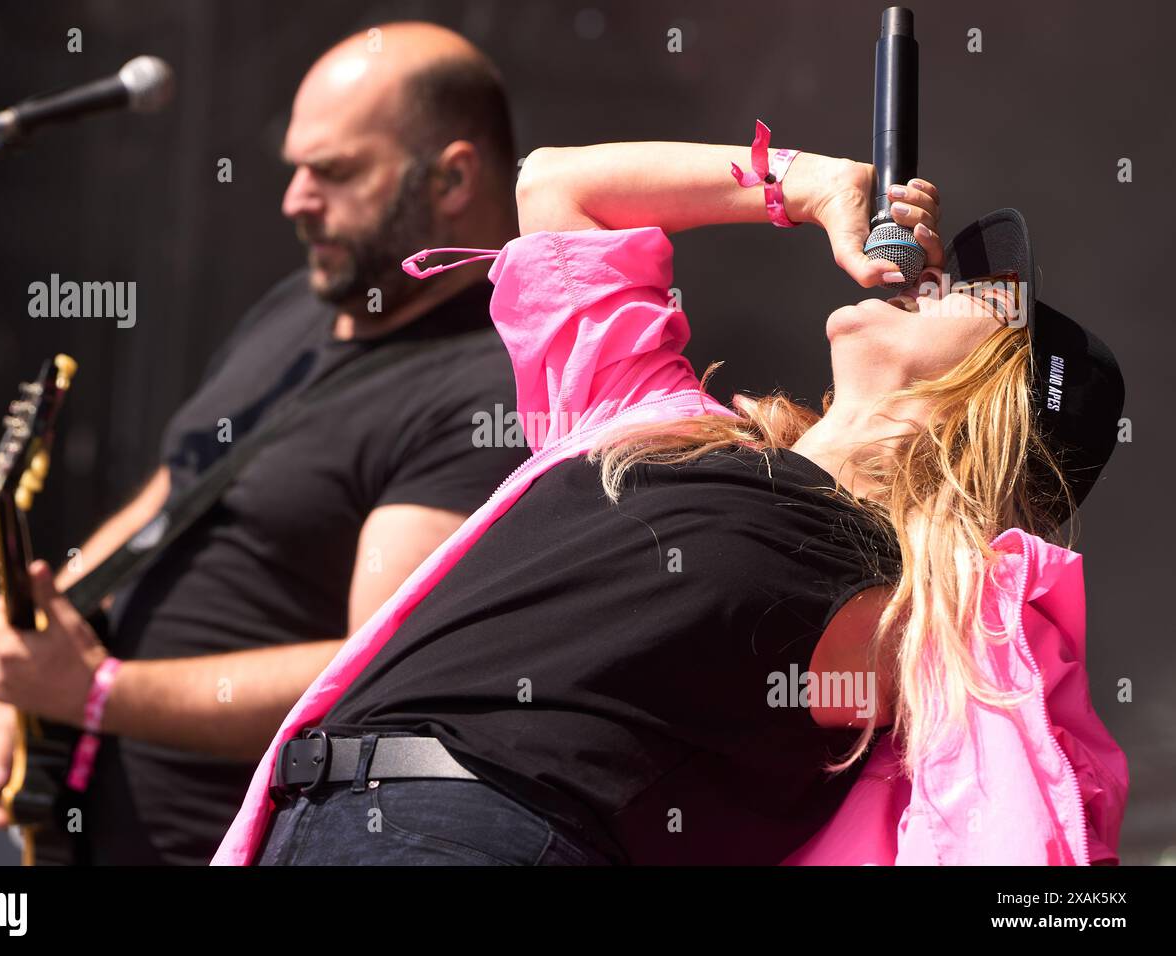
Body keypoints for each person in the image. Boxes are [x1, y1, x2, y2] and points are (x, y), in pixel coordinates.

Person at [214, 134, 1126, 865]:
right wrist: (806, 186)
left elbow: (1006, 790)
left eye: (968, 293)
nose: (934, 278)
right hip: (305, 817)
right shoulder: (659, 425)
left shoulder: (909, 601)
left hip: (486, 835)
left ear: (993, 395)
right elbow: (559, 189)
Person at [0, 22, 529, 865]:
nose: (294, 198)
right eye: (295, 166)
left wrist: (97, 693)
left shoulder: (490, 381)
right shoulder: (300, 305)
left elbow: (376, 671)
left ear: (454, 178)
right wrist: (25, 671)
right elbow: (170, 496)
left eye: (334, 172)